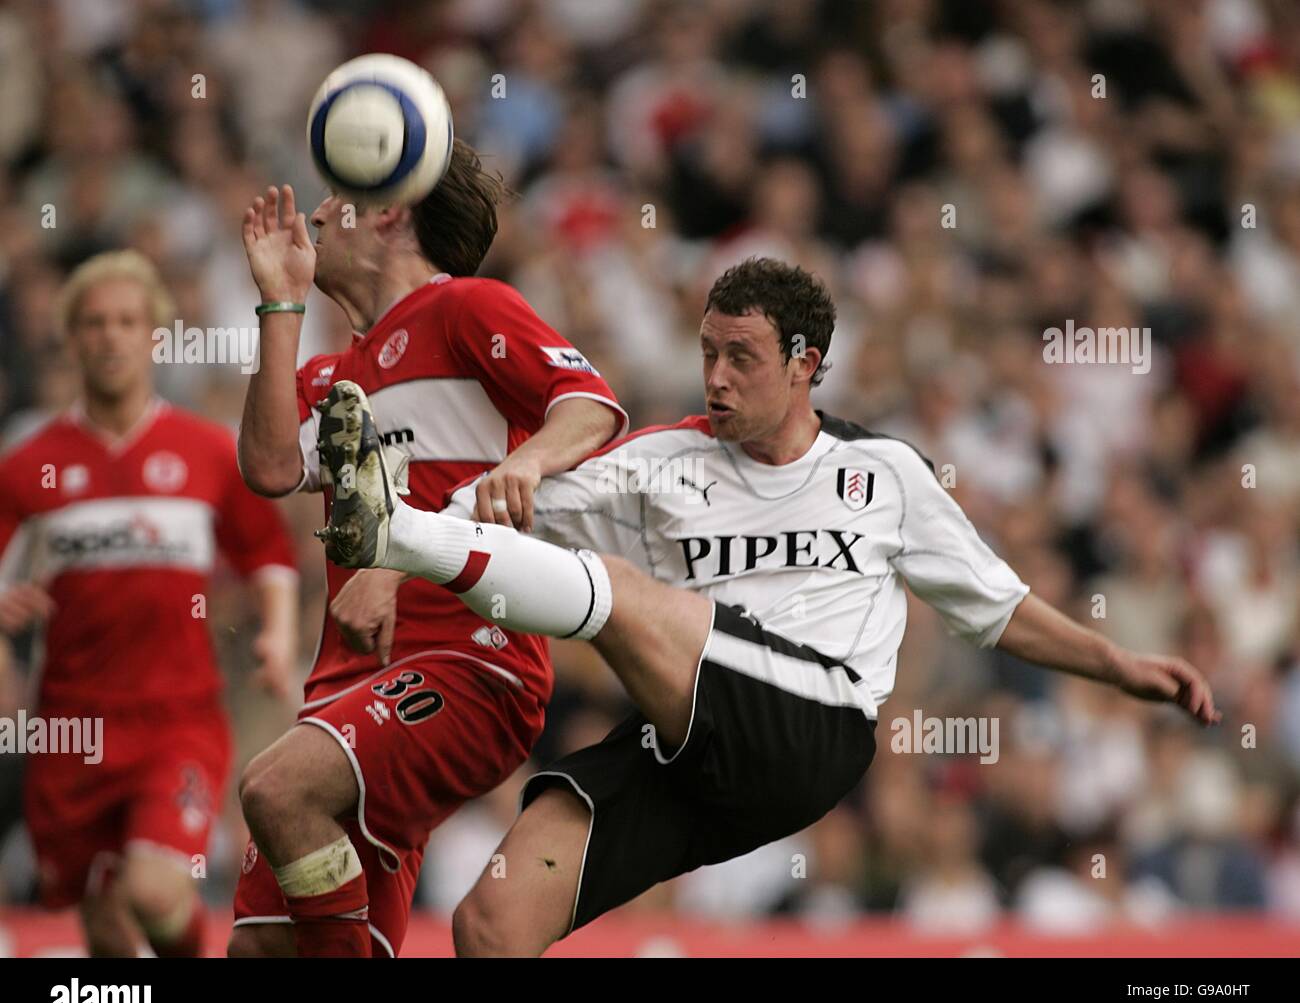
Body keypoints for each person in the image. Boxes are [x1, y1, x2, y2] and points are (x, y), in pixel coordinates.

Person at [314, 256, 1220, 956]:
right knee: (491, 922)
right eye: (707, 352)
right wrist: (401, 561)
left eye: (740, 357)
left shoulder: (884, 475)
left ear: (804, 364)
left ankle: (394, 533)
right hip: (695, 743)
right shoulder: (659, 460)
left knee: (624, 596)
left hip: (816, 726)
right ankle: (396, 538)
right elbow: (493, 502)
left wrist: (1120, 665)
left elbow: (998, 607)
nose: (716, 377)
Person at [230, 140, 626, 957]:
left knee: (276, 789)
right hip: (348, 687)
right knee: (262, 948)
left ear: (388, 212)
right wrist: (280, 302)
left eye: (338, 199)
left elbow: (591, 405)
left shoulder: (466, 308)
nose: (316, 214)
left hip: (470, 664)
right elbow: (270, 466)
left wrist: (525, 459)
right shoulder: (335, 372)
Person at [0, 250, 299, 957]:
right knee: (105, 930)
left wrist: (279, 636)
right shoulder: (28, 464)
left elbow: (267, 551)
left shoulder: (203, 451)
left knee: (156, 892)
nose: (111, 337)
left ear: (156, 337)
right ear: (71, 339)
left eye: (128, 322)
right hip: (69, 729)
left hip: (178, 721)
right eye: (95, 323)